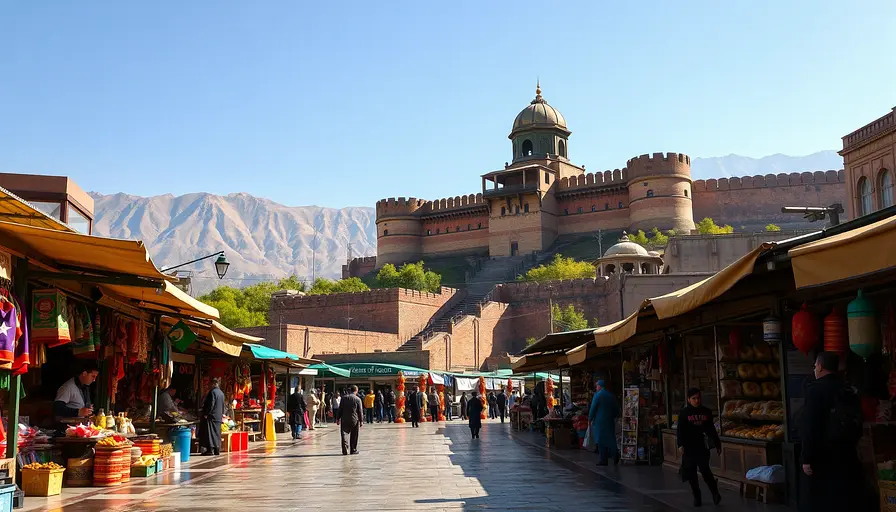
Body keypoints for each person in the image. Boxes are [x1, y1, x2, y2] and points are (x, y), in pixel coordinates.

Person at [799, 351, 865, 512]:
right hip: (848, 452)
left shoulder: (815, 390)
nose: (814, 370)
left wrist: (806, 457)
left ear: (820, 367)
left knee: (821, 500)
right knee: (845, 498)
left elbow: (811, 425)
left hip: (823, 455)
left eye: (815, 366)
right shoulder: (848, 389)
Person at [678, 387, 722, 506]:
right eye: (694, 398)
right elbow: (680, 430)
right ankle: (697, 496)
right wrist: (680, 444)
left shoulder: (706, 412)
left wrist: (717, 444)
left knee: (705, 470)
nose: (697, 400)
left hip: (702, 446)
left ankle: (715, 493)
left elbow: (711, 429)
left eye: (698, 398)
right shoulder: (684, 413)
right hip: (688, 447)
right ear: (688, 399)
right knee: (691, 473)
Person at [54, 361, 99, 425]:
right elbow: (57, 409)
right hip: (68, 428)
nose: (94, 380)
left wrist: (88, 409)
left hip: (81, 426)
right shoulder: (67, 387)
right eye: (93, 376)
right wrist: (78, 412)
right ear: (84, 373)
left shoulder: (85, 386)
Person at [588, 380, 620, 466]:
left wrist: (590, 418)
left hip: (599, 421)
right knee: (611, 438)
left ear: (600, 386)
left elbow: (593, 408)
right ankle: (615, 454)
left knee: (601, 440)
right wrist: (614, 416)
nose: (596, 387)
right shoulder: (611, 396)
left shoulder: (597, 395)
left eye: (597, 386)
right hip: (609, 420)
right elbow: (617, 409)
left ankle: (603, 459)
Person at [198, 377, 225, 455]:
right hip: (218, 416)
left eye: (210, 384)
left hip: (211, 416)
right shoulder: (221, 393)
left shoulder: (212, 392)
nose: (208, 386)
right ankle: (217, 449)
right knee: (216, 433)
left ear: (213, 384)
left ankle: (210, 450)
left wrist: (206, 413)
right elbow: (223, 405)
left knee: (210, 433)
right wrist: (222, 414)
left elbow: (211, 404)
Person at [336, 385, 364, 455]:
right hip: (354, 419)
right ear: (356, 390)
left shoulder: (343, 398)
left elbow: (340, 409)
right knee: (354, 435)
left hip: (344, 418)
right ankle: (353, 449)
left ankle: (345, 449)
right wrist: (361, 421)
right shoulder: (358, 399)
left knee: (344, 434)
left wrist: (337, 418)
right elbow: (360, 411)